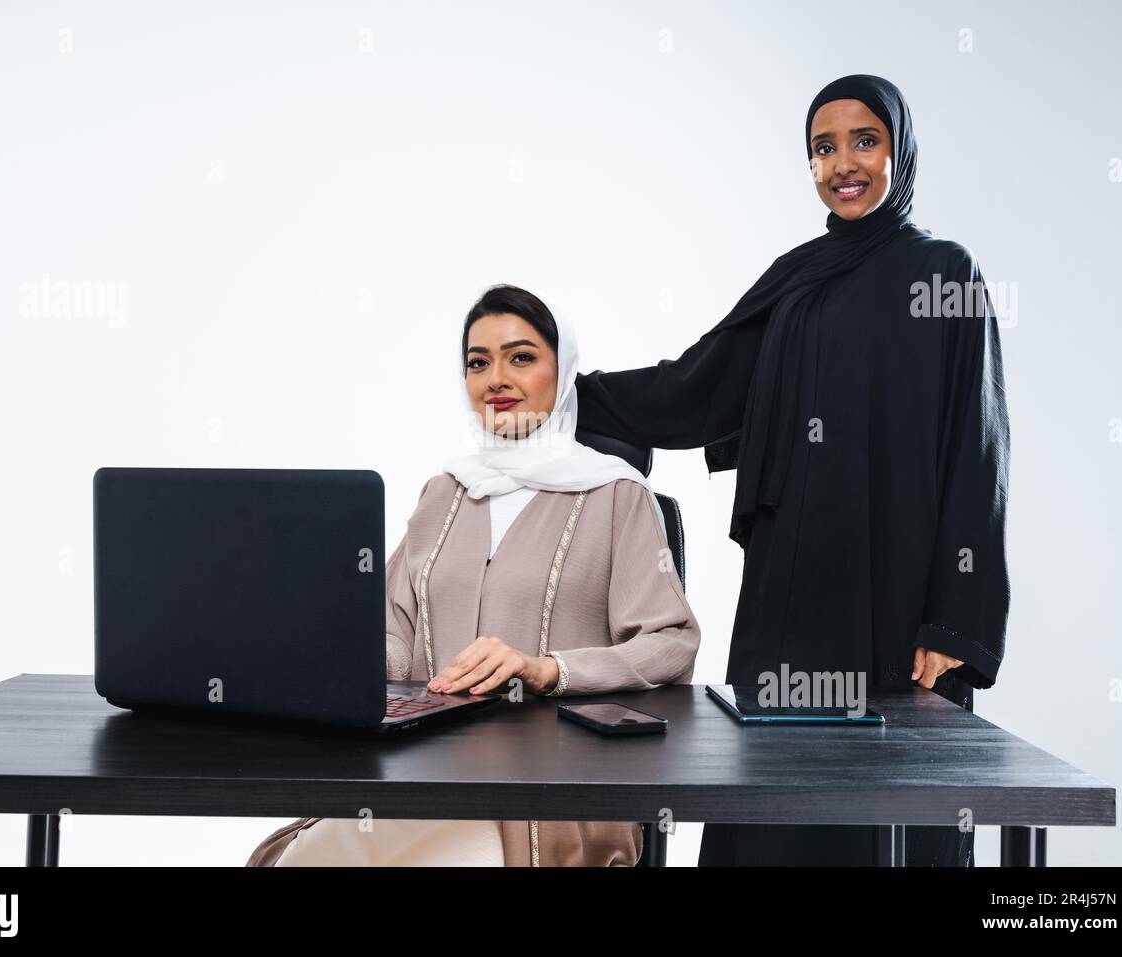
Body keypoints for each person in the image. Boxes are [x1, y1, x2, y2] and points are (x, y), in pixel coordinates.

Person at [573, 74, 1011, 866]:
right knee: (773, 806)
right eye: (823, 147)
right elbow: (696, 384)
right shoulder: (797, 281)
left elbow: (979, 456)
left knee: (885, 815)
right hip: (791, 602)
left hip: (896, 606)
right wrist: (571, 397)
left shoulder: (945, 272)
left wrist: (955, 627)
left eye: (864, 141)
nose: (843, 163)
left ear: (899, 151)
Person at [246, 284, 700, 867]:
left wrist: (548, 669)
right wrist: (322, 652)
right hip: (424, 770)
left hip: (557, 789)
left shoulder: (616, 495)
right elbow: (395, 637)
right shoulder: (445, 492)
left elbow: (670, 643)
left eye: (522, 357)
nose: (496, 379)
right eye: (478, 363)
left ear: (563, 373)